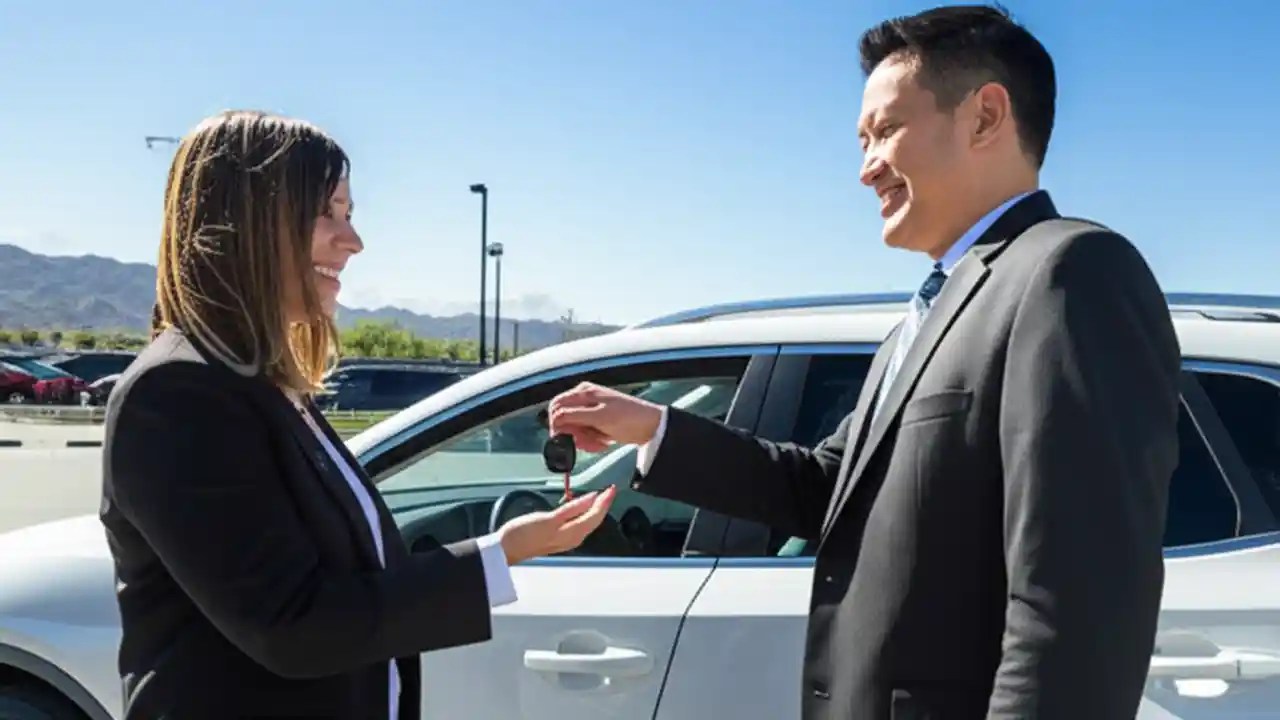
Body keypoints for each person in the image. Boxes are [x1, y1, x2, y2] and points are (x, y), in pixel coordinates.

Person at [549, 5, 1181, 719]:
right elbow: (827, 490)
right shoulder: (935, 309)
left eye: (884, 132)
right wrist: (655, 430)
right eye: (861, 141)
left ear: (984, 117)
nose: (865, 169)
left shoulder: (1070, 274)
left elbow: (1074, 604)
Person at [99, 110, 616, 720]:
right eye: (330, 214)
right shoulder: (178, 395)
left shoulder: (258, 381)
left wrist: (504, 547)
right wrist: (498, 557)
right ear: (250, 222)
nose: (353, 241)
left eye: (351, 215)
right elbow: (294, 623)